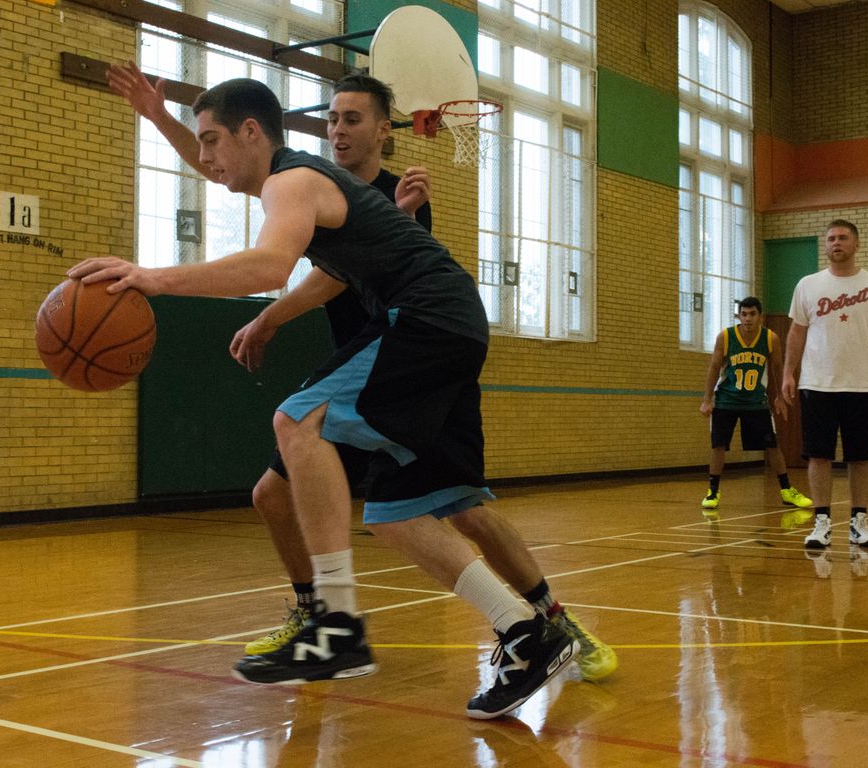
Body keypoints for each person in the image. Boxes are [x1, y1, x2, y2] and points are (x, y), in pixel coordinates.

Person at [75, 77, 587, 719]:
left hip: (425, 319)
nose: (207, 158)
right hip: (446, 325)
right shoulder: (298, 180)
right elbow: (263, 225)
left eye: (214, 140)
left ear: (252, 133)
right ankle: (524, 630)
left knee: (297, 419)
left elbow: (267, 268)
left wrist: (153, 276)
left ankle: (335, 625)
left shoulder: (292, 182)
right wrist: (160, 118)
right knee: (396, 515)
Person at [781, 219, 868, 551]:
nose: (836, 243)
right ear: (825, 246)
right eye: (830, 239)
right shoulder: (808, 285)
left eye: (843, 238)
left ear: (856, 244)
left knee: (861, 457)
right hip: (817, 384)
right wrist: (787, 373)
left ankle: (859, 522)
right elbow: (797, 333)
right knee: (819, 455)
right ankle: (821, 522)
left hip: (861, 384)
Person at [699, 296, 812, 516]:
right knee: (718, 446)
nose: (748, 319)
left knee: (772, 445)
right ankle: (713, 491)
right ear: (739, 316)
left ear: (760, 316)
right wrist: (707, 399)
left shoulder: (770, 338)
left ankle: (787, 490)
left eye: (752, 314)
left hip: (756, 401)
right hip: (726, 400)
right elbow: (714, 368)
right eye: (744, 314)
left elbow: (777, 368)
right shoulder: (726, 336)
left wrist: (779, 396)